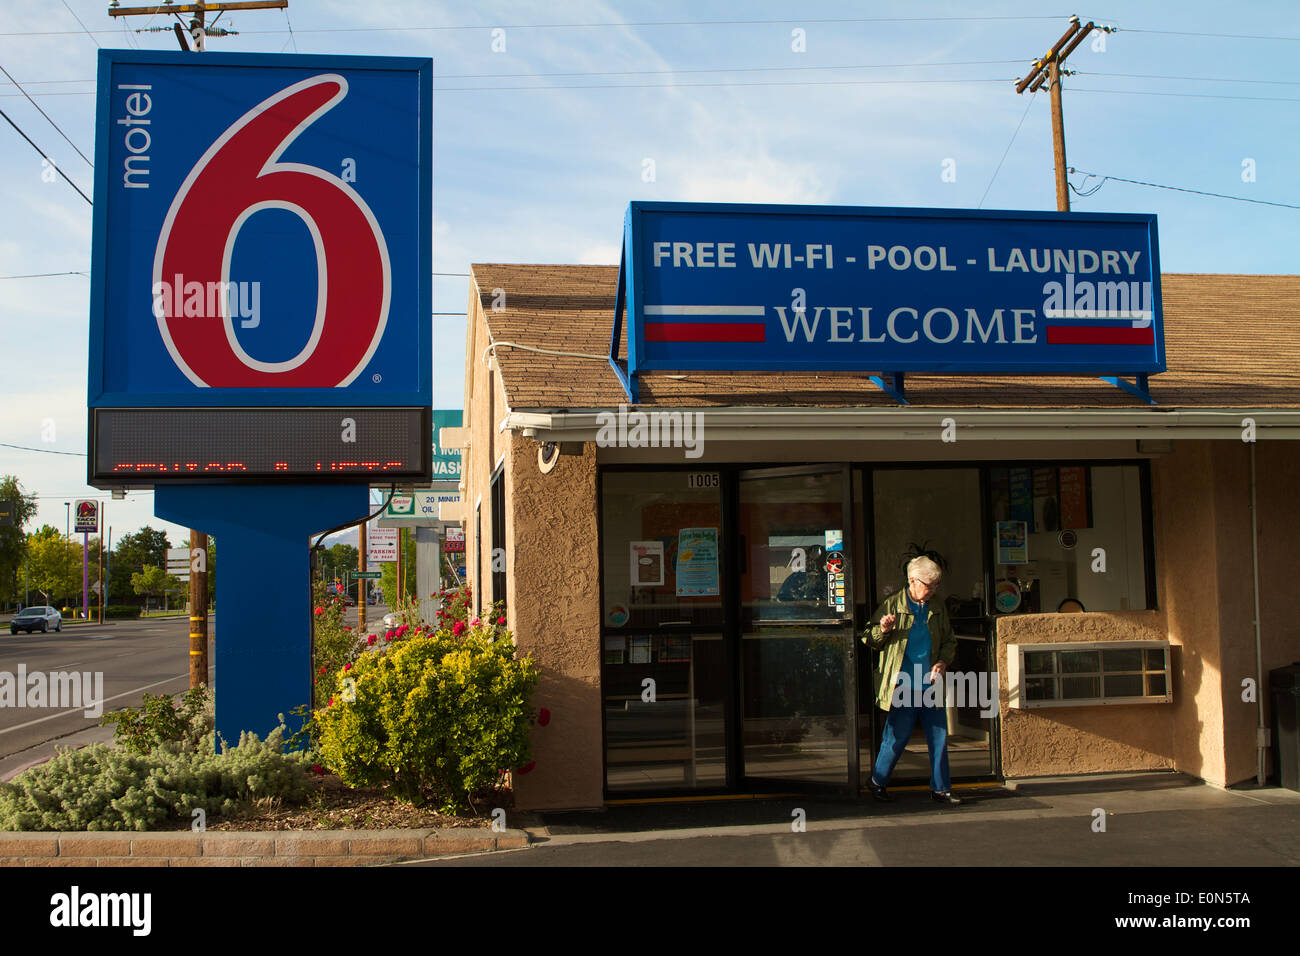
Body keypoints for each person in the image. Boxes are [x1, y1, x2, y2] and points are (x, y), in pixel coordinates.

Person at [862, 554, 962, 806]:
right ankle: (877, 781)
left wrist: (942, 662)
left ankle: (941, 789)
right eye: (929, 585)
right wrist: (883, 629)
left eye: (936, 585)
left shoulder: (937, 605)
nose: (933, 590)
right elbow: (869, 638)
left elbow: (949, 639)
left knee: (938, 737)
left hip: (930, 683)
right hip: (903, 684)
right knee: (897, 737)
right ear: (912, 580)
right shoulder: (891, 604)